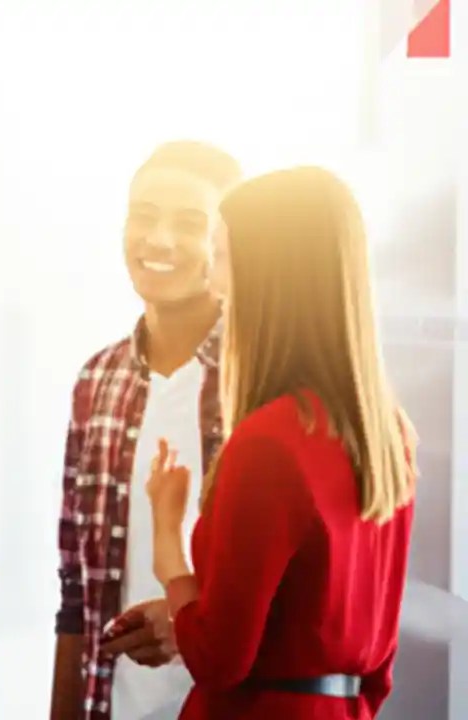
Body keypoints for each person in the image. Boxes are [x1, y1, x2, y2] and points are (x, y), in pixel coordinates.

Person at [144, 166, 415, 719]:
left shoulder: (268, 444)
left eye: (221, 257)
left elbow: (219, 658)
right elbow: (378, 669)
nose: (214, 284)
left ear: (267, 276)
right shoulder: (391, 437)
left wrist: (169, 547)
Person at [49, 141, 243, 720]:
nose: (158, 240)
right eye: (143, 215)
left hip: (228, 704)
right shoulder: (98, 380)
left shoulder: (263, 379)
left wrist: (192, 624)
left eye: (189, 223)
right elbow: (75, 590)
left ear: (228, 242)